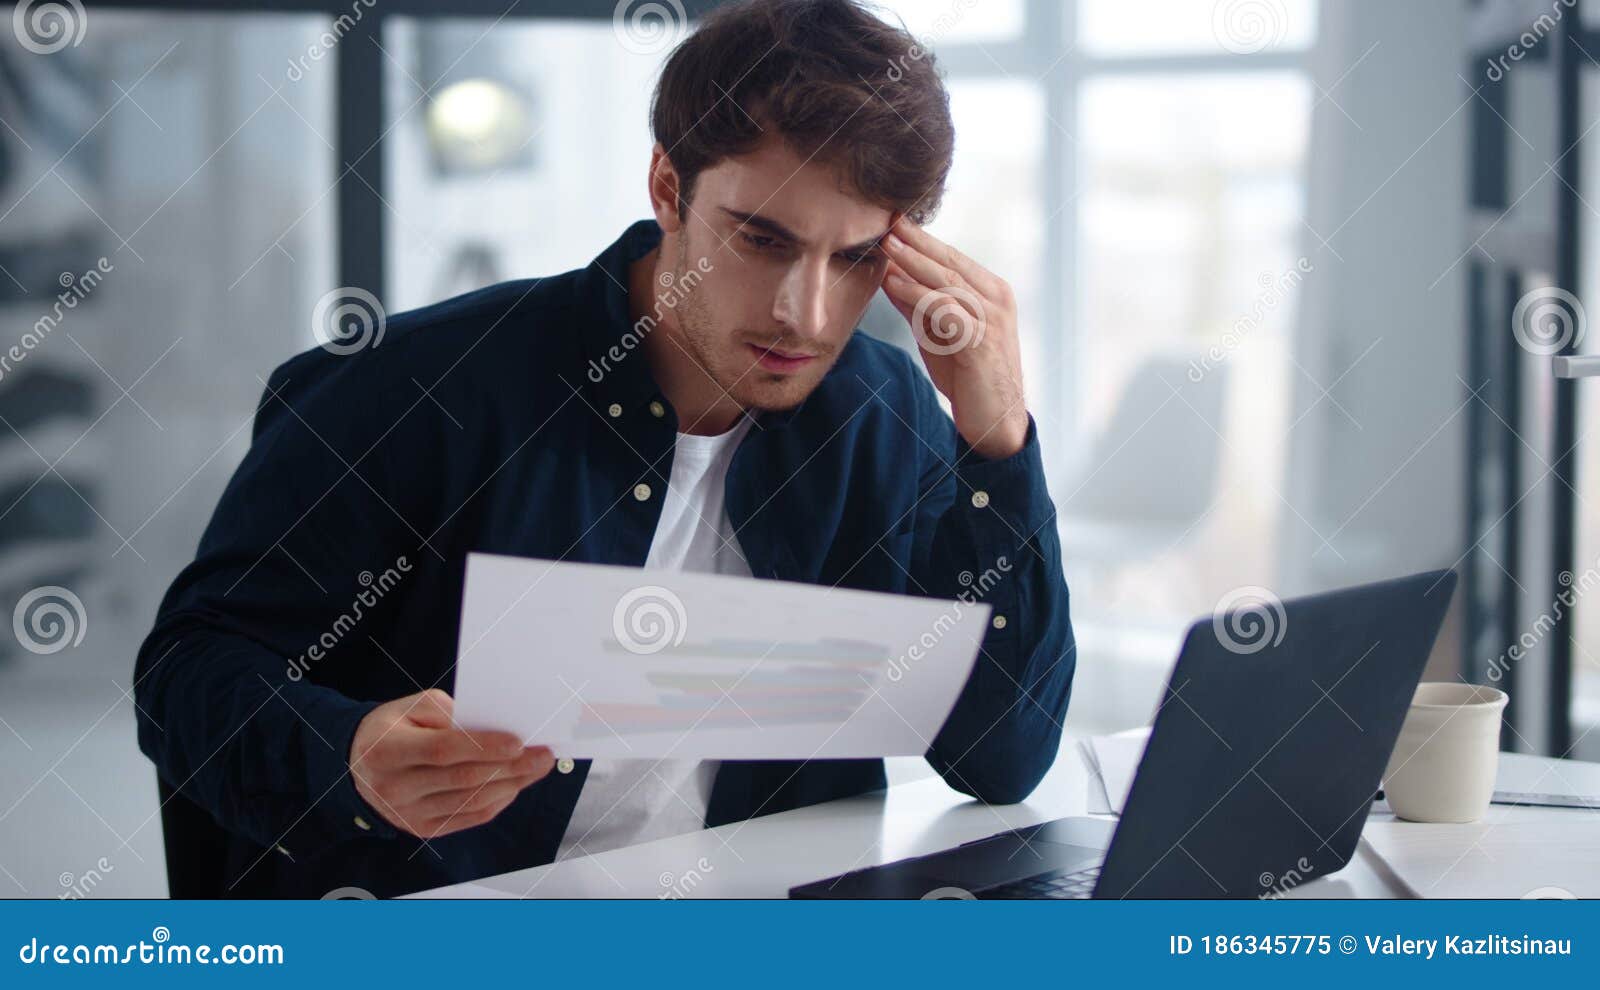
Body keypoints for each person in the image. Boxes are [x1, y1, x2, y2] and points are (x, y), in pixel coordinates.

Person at [134, 0, 1075, 898]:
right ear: (669, 187)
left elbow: (1001, 757)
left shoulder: (886, 418)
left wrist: (999, 443)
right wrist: (346, 756)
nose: (806, 312)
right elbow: (188, 672)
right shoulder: (408, 390)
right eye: (760, 239)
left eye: (856, 258)